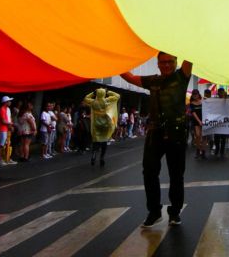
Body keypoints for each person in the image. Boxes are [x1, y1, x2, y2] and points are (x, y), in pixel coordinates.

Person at [120, 52, 192, 228]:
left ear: (176, 63)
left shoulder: (182, 77)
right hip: (155, 133)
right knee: (149, 172)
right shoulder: (152, 81)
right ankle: (154, 212)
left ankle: (175, 213)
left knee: (176, 175)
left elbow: (191, 50)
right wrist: (113, 64)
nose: (166, 65)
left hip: (176, 133)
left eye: (170, 62)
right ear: (157, 64)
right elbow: (129, 77)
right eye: (163, 62)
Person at [83, 89, 120, 167]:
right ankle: (102, 157)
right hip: (106, 126)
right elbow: (117, 96)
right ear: (103, 94)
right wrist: (109, 92)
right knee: (104, 142)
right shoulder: (107, 101)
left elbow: (85, 98)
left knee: (96, 141)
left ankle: (94, 154)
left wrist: (93, 93)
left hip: (96, 125)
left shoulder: (93, 102)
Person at [0, 96, 15, 165]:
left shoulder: (8, 109)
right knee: (1, 144)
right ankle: (0, 159)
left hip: (7, 128)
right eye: (9, 101)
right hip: (2, 129)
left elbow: (9, 119)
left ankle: (7, 158)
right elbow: (3, 121)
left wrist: (11, 126)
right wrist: (11, 124)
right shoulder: (2, 109)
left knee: (8, 144)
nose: (10, 102)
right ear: (5, 102)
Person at [188, 91, 206, 160]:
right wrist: (199, 121)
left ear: (199, 95)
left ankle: (203, 152)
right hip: (196, 121)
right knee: (198, 136)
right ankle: (198, 150)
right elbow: (193, 113)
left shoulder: (203, 101)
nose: (195, 95)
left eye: (196, 94)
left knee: (204, 136)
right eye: (193, 94)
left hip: (204, 121)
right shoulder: (191, 104)